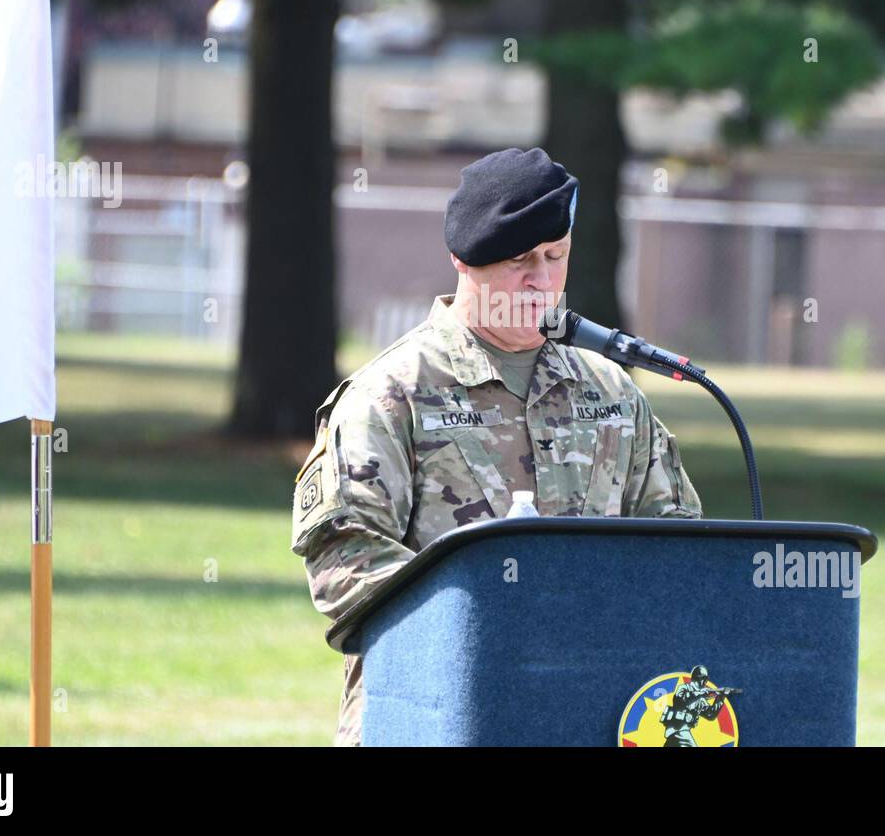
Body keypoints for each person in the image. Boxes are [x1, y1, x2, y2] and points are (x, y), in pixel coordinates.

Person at [292, 146, 703, 745]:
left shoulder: (611, 392)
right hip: (434, 715)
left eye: (556, 255)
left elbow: (680, 549)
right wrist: (492, 619)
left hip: (590, 712)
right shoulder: (394, 393)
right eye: (519, 261)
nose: (542, 280)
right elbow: (343, 560)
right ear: (463, 261)